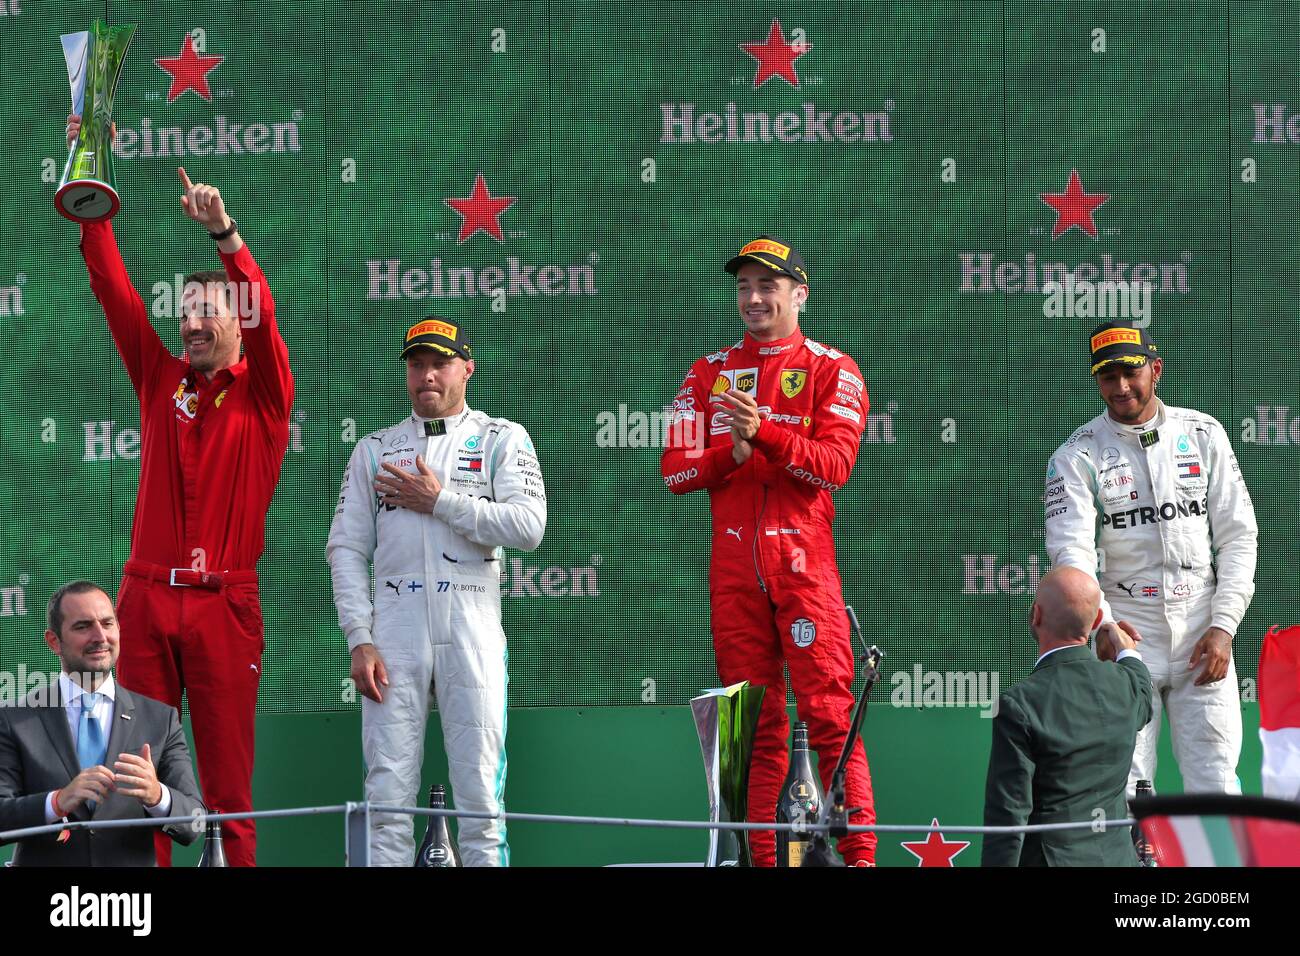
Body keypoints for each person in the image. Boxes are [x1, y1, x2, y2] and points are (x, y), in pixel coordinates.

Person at [66, 115, 293, 866]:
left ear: (237, 322)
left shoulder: (263, 394)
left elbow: (257, 306)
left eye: (208, 311)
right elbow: (114, 291)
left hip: (225, 605)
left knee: (227, 791)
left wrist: (225, 235)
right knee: (139, 783)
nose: (192, 322)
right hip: (147, 601)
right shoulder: (161, 380)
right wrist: (89, 190)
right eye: (185, 311)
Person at [660, 235, 876, 866]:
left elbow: (835, 465)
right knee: (752, 727)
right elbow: (673, 469)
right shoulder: (708, 372)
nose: (753, 298)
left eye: (767, 287)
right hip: (733, 574)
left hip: (804, 568)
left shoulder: (833, 368)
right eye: (744, 287)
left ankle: (860, 858)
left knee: (831, 715)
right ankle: (761, 860)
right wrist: (729, 454)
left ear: (798, 295)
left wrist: (767, 434)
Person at [327, 318, 546, 866]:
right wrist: (360, 637)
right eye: (417, 364)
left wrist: (441, 500)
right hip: (394, 631)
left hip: (471, 624)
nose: (427, 375)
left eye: (440, 363)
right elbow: (346, 550)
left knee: (479, 798)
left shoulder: (501, 437)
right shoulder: (375, 448)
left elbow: (528, 527)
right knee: (387, 798)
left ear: (466, 368)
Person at [1045, 321, 1257, 796]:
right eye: (1107, 376)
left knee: (1217, 781)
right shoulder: (1076, 455)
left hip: (1202, 629)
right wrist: (1103, 624)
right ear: (1096, 380)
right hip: (1126, 630)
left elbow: (1240, 536)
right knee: (1124, 785)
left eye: (1130, 371)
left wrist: (1223, 627)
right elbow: (1071, 554)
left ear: (1155, 369)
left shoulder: (1204, 434)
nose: (1120, 386)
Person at [0, 582, 204, 866]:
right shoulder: (14, 718)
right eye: (83, 626)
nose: (100, 636)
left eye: (107, 623)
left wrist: (158, 796)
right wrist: (57, 802)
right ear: (53, 641)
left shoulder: (161, 720)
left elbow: (195, 824)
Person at [982, 568, 1152, 866]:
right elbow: (1142, 686)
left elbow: (1008, 815)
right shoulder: (1127, 685)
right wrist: (1123, 647)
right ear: (1097, 621)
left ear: (1036, 615)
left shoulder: (1018, 704)